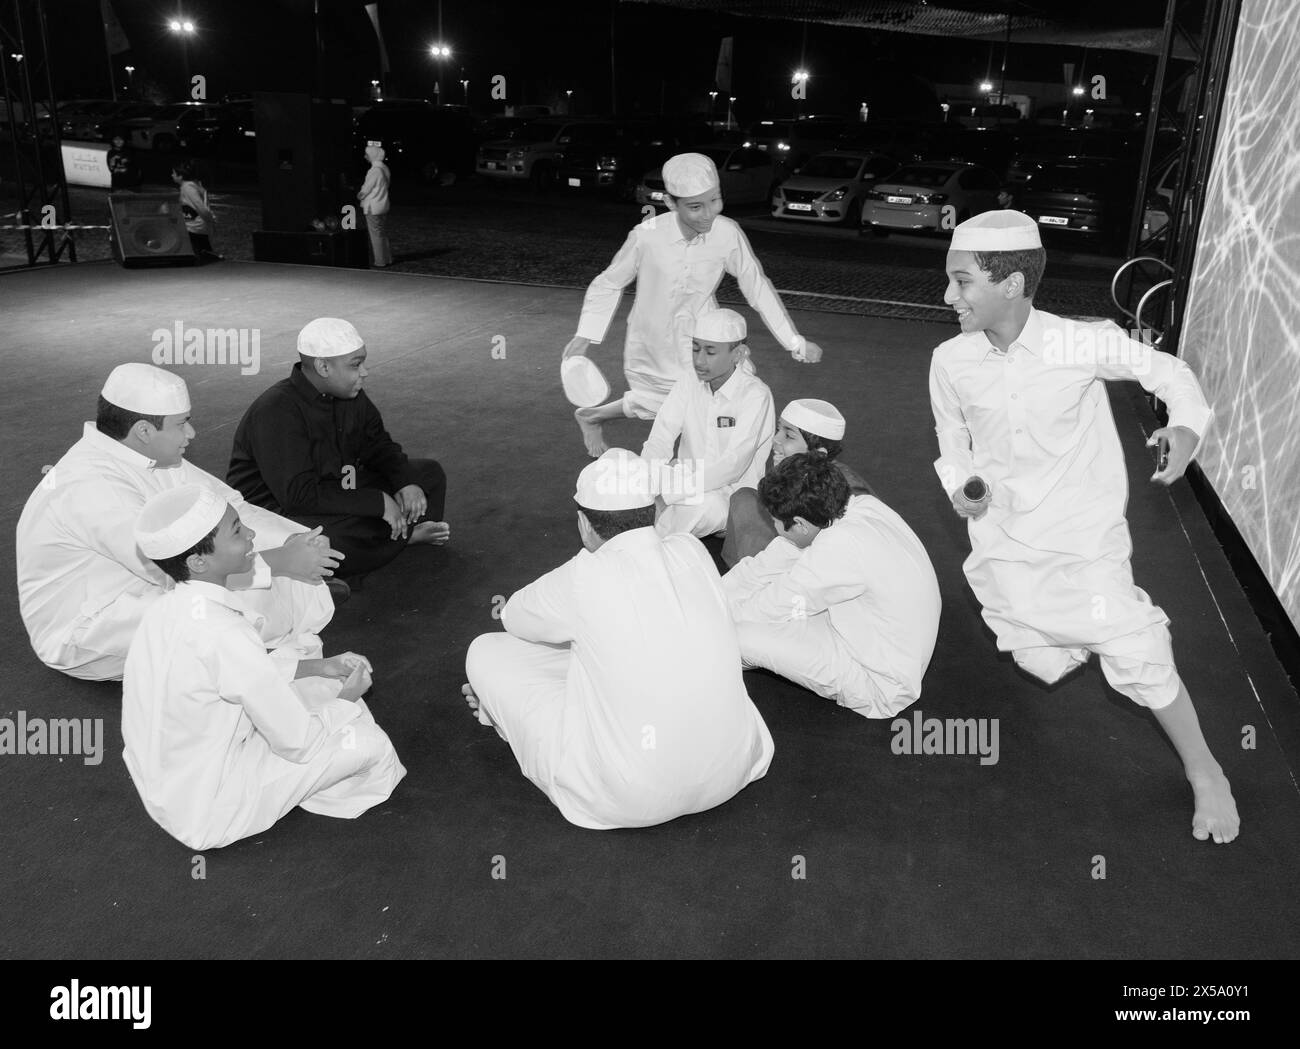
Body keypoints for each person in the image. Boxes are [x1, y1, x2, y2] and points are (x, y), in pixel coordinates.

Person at [929, 209, 1239, 843]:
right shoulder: (948, 360)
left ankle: (1207, 771)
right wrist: (962, 486)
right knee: (1031, 642)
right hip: (1004, 537)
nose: (947, 296)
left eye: (962, 282)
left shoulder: (1076, 342)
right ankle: (1069, 635)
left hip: (1081, 534)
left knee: (1133, 646)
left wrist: (1183, 424)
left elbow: (1171, 373)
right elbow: (951, 440)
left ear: (1011, 284)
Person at [462, 449, 774, 830]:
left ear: (584, 524)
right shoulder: (692, 550)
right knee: (607, 643)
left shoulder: (583, 575)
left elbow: (514, 619)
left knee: (486, 650)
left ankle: (496, 711)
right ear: (656, 513)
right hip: (737, 766)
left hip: (630, 796)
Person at [16, 363, 341, 683]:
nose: (191, 433)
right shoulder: (92, 488)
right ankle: (268, 652)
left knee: (263, 552)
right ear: (143, 430)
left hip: (150, 576)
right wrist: (281, 561)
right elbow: (176, 573)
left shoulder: (144, 454)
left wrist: (292, 541)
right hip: (89, 626)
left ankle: (290, 598)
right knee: (218, 602)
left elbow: (229, 507)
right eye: (182, 424)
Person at [123, 485, 405, 850]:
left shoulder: (167, 606)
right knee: (368, 744)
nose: (252, 534)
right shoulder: (222, 631)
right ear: (198, 562)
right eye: (238, 531)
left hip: (170, 781)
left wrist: (319, 666)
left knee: (307, 681)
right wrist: (347, 697)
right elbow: (299, 743)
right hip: (210, 809)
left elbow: (239, 676)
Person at [564, 151, 825, 457]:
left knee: (727, 397)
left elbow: (756, 285)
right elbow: (609, 282)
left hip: (706, 336)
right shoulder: (647, 235)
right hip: (653, 339)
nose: (708, 214)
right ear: (672, 203)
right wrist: (586, 334)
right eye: (695, 207)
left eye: (715, 200)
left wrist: (794, 341)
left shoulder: (727, 232)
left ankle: (713, 472)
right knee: (661, 402)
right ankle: (593, 417)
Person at [227, 317, 449, 579]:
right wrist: (377, 502)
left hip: (336, 487)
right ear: (323, 367)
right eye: (356, 365)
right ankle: (402, 536)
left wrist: (405, 482)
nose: (364, 372)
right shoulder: (276, 410)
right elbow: (298, 496)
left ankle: (390, 538)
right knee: (327, 540)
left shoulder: (350, 394)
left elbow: (378, 444)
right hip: (279, 510)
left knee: (428, 475)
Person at [723, 454, 940, 720]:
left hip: (879, 683)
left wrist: (706, 621)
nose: (774, 527)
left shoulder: (839, 546)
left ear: (800, 524)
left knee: (740, 636)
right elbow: (766, 565)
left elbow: (772, 605)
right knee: (751, 597)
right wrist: (710, 596)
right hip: (873, 633)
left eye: (775, 521)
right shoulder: (856, 507)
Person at [641, 308, 774, 538]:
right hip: (683, 482)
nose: (699, 360)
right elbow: (661, 436)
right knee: (619, 467)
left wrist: (665, 498)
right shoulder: (688, 382)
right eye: (695, 349)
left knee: (705, 507)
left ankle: (648, 544)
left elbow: (731, 467)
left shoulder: (756, 395)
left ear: (738, 354)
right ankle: (644, 527)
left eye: (710, 352)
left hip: (728, 495)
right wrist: (645, 481)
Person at [721, 398, 874, 567]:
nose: (775, 439)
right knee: (744, 497)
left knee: (747, 503)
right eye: (778, 429)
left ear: (819, 454)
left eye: (789, 436)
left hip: (813, 571)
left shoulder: (846, 492)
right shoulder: (804, 474)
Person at [172, 159, 220, 261]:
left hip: (194, 227)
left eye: (174, 173)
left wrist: (211, 219)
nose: (172, 175)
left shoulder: (188, 188)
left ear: (181, 176)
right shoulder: (193, 185)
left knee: (197, 255)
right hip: (196, 226)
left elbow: (200, 207)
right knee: (203, 253)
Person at [358, 140, 393, 268]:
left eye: (366, 154)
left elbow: (366, 189)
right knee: (382, 234)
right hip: (383, 204)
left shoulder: (374, 171)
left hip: (373, 206)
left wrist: (359, 195)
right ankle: (387, 258)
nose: (365, 156)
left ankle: (380, 260)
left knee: (375, 236)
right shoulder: (385, 169)